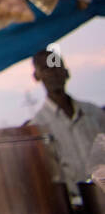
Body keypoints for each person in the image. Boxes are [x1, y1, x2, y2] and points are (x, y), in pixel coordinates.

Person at [29, 49, 105, 203]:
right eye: (46, 69)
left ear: (66, 72)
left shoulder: (94, 113)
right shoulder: (37, 127)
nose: (53, 73)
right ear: (37, 76)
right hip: (73, 208)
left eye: (56, 67)